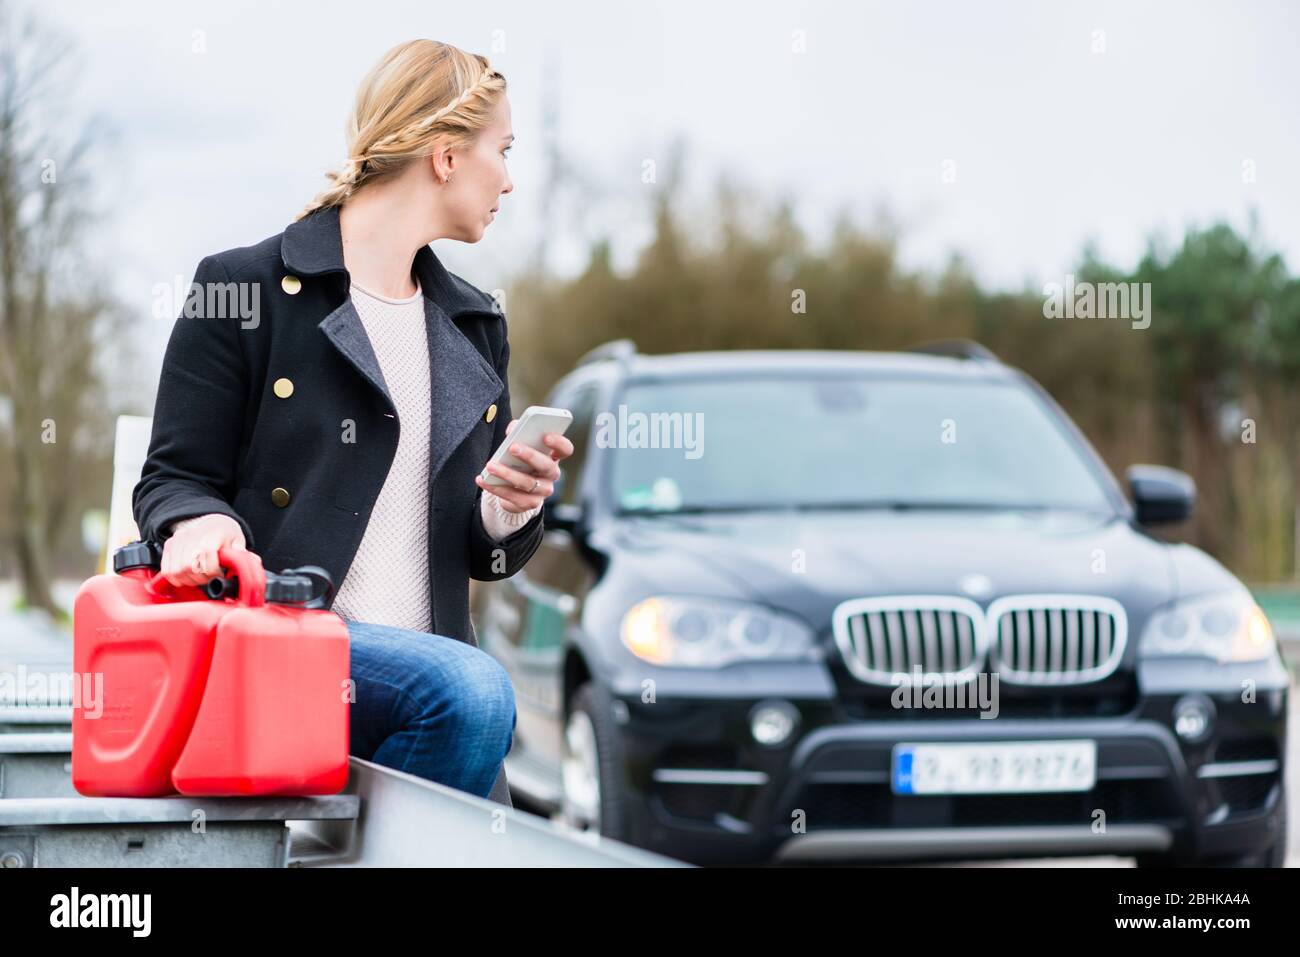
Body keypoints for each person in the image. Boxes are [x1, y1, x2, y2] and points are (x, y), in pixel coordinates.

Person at [133, 39, 572, 804]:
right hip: (279, 656)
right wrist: (199, 523)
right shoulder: (240, 287)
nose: (508, 177)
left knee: (466, 696)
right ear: (444, 155)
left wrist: (508, 507)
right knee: (473, 692)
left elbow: (481, 556)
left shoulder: (476, 323)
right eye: (501, 151)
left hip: (429, 690)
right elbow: (173, 477)